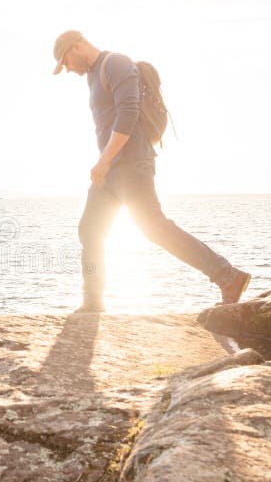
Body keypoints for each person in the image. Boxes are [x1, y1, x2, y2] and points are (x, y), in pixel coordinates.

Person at [52, 30, 250, 312]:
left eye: (65, 61)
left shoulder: (116, 63)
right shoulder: (93, 76)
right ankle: (93, 301)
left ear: (77, 46)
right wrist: (105, 165)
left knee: (154, 227)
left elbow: (128, 113)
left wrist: (104, 160)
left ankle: (228, 276)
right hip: (109, 171)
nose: (68, 69)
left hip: (132, 166)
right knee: (90, 229)